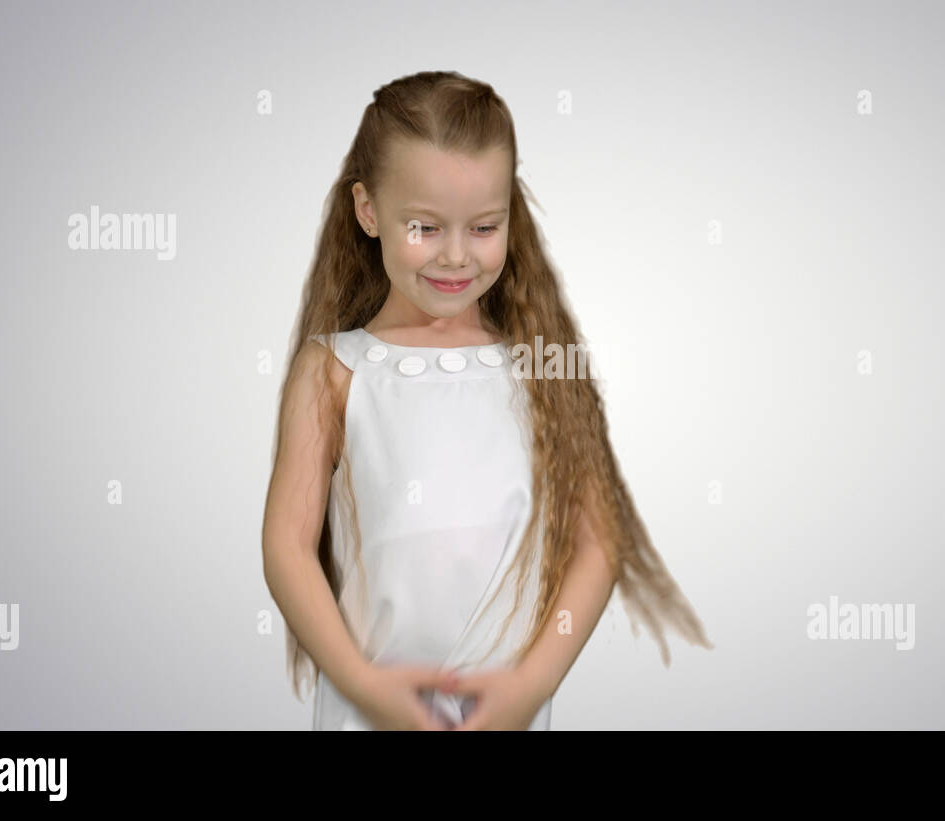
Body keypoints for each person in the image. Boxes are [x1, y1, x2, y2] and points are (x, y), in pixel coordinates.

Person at [262, 70, 712, 731]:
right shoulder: (335, 371)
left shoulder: (539, 367)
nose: (454, 256)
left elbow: (599, 542)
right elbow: (287, 547)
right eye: (423, 226)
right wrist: (364, 685)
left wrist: (530, 687)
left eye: (482, 226)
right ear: (368, 211)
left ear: (508, 214)